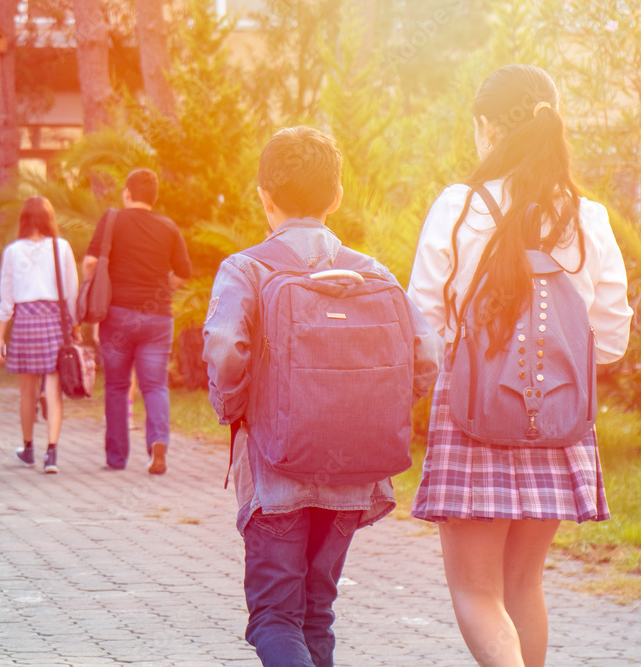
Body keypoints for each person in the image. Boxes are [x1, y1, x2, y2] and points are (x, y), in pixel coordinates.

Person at [406, 65, 634, 667]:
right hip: (559, 421)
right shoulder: (588, 217)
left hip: (473, 414)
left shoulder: (460, 206)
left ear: (485, 127)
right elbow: (609, 338)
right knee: (523, 585)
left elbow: (421, 326)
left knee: (476, 590)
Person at [203, 126, 442, 666]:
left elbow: (224, 349)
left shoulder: (247, 269)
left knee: (274, 617)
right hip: (353, 472)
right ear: (336, 197)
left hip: (275, 469)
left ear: (264, 194)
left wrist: (232, 406)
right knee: (317, 612)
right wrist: (377, 406)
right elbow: (427, 351)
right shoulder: (370, 273)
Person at [83, 168, 192, 474]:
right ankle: (158, 443)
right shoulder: (168, 227)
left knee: (117, 386)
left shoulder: (113, 220)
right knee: (155, 386)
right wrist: (161, 288)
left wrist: (91, 283)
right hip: (157, 318)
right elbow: (183, 272)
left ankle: (116, 458)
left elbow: (91, 262)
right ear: (154, 197)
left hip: (117, 315)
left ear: (127, 193)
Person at [0, 196, 79, 474]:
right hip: (55, 321)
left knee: (26, 393)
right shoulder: (62, 247)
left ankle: (28, 448)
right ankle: (51, 454)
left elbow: (6, 298)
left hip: (24, 322)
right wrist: (75, 326)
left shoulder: (12, 250)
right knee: (53, 392)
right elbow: (71, 292)